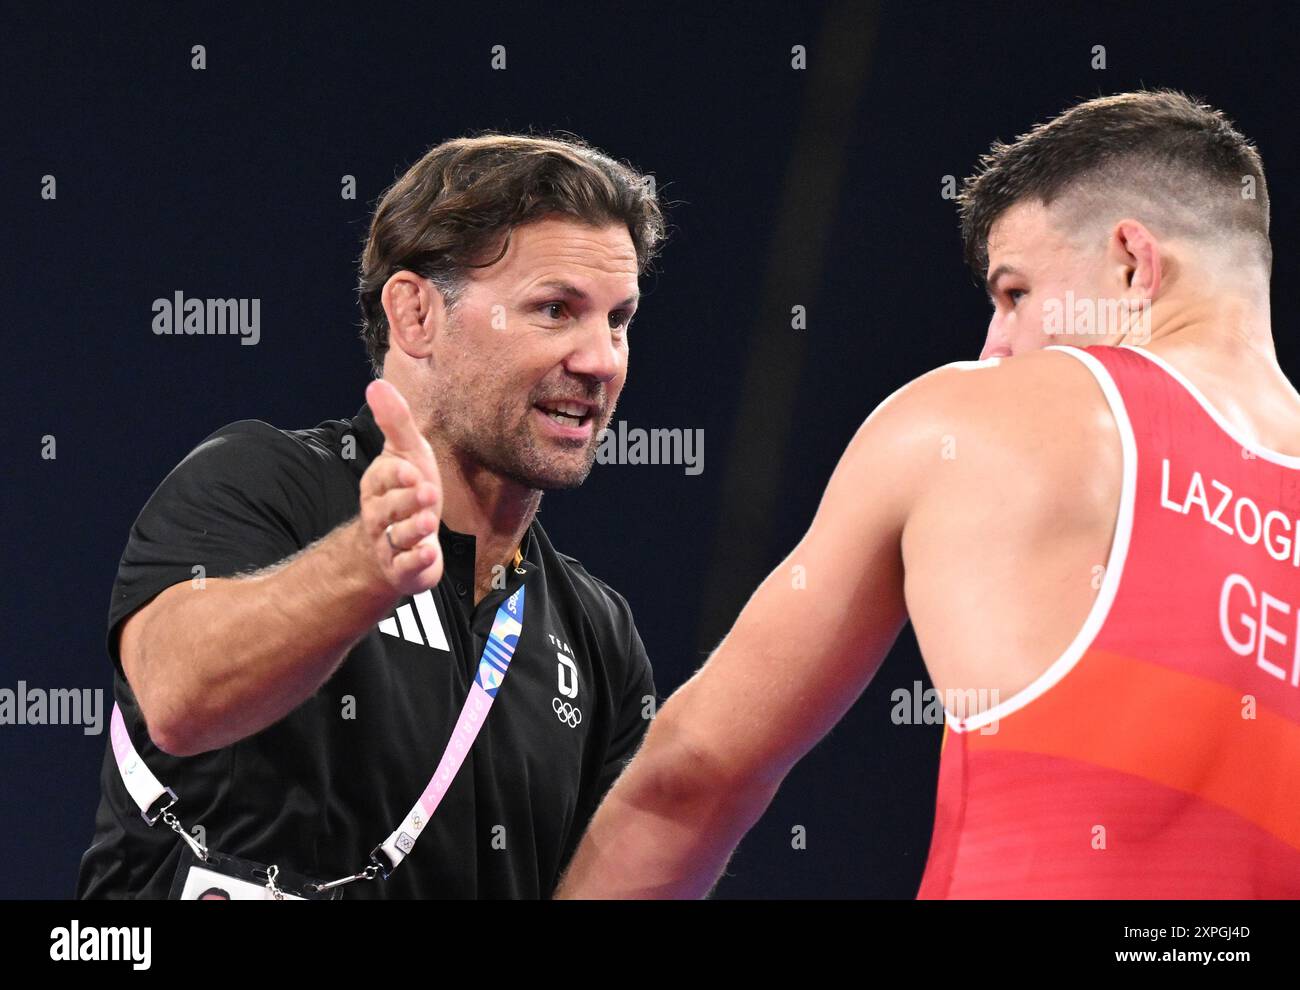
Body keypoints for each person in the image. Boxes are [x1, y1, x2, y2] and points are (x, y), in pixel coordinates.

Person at [555, 90, 1300, 898]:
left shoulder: (973, 415)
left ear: (1131, 263)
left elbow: (690, 778)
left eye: (1015, 293)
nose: (996, 345)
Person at [77, 133, 665, 898]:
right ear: (416, 314)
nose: (602, 361)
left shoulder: (598, 636)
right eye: (556, 310)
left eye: (618, 320)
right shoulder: (259, 480)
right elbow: (178, 699)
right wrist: (362, 569)